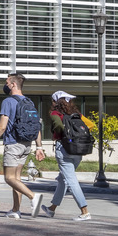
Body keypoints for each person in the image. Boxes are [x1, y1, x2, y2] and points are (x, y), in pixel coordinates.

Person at [0, 73, 45, 218]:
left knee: (9, 178)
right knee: (17, 178)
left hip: (13, 144)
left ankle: (33, 197)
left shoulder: (8, 101)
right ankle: (15, 210)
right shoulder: (29, 102)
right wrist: (39, 147)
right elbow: (36, 126)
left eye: (7, 82)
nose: (5, 84)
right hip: (26, 144)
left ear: (13, 84)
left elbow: (2, 126)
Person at [44, 91, 91, 221]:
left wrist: (60, 135)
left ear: (56, 102)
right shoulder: (77, 114)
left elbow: (58, 125)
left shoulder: (55, 113)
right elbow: (90, 125)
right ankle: (51, 209)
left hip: (64, 149)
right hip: (78, 150)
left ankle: (84, 211)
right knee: (63, 179)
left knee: (71, 181)